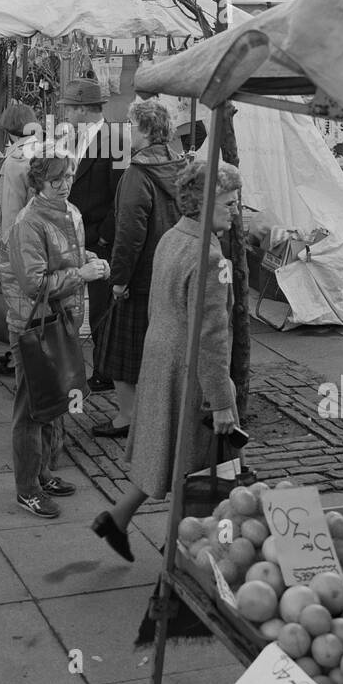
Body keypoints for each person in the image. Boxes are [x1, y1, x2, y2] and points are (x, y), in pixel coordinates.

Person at [92, 160, 242, 561]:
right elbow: (211, 336)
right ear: (206, 204)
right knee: (205, 462)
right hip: (189, 370)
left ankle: (119, 519)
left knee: (171, 452)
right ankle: (183, 552)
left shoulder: (173, 237)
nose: (236, 210)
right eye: (230, 203)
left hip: (161, 358)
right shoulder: (211, 259)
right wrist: (222, 401)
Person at [6, 153, 111, 519]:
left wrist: (91, 259)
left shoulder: (70, 212)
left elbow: (67, 258)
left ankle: (43, 473)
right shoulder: (29, 222)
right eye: (56, 181)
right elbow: (34, 283)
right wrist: (83, 274)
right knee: (31, 409)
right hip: (33, 324)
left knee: (53, 402)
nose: (65, 185)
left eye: (67, 177)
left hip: (60, 318)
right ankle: (27, 488)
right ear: (38, 185)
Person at [93, 99, 186, 442]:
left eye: (132, 126)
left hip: (141, 277)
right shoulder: (181, 165)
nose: (128, 132)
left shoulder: (137, 175)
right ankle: (159, 414)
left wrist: (119, 281)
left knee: (120, 352)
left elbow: (128, 234)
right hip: (173, 271)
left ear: (146, 131)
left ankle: (127, 417)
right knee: (161, 350)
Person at [58, 77, 124, 392]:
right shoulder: (78, 138)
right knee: (88, 305)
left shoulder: (116, 139)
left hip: (100, 240)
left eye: (69, 108)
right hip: (81, 235)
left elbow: (120, 199)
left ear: (84, 108)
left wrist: (100, 238)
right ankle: (102, 369)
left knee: (101, 308)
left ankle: (105, 371)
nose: (65, 114)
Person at [0, 100, 38, 376]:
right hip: (41, 240)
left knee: (19, 311)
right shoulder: (44, 150)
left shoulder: (15, 161)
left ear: (10, 130)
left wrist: (4, 252)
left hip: (19, 241)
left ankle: (21, 364)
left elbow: (11, 209)